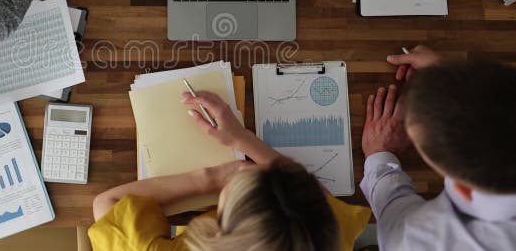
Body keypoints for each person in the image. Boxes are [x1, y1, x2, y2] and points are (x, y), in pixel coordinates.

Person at [89, 91, 372, 251]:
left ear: (222, 231)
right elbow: (320, 200)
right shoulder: (321, 236)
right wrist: (242, 139)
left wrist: (210, 179)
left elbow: (106, 204)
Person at [361, 45, 516, 250]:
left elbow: (394, 218)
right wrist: (449, 80)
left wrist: (380, 154)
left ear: (463, 190)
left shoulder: (421, 242)